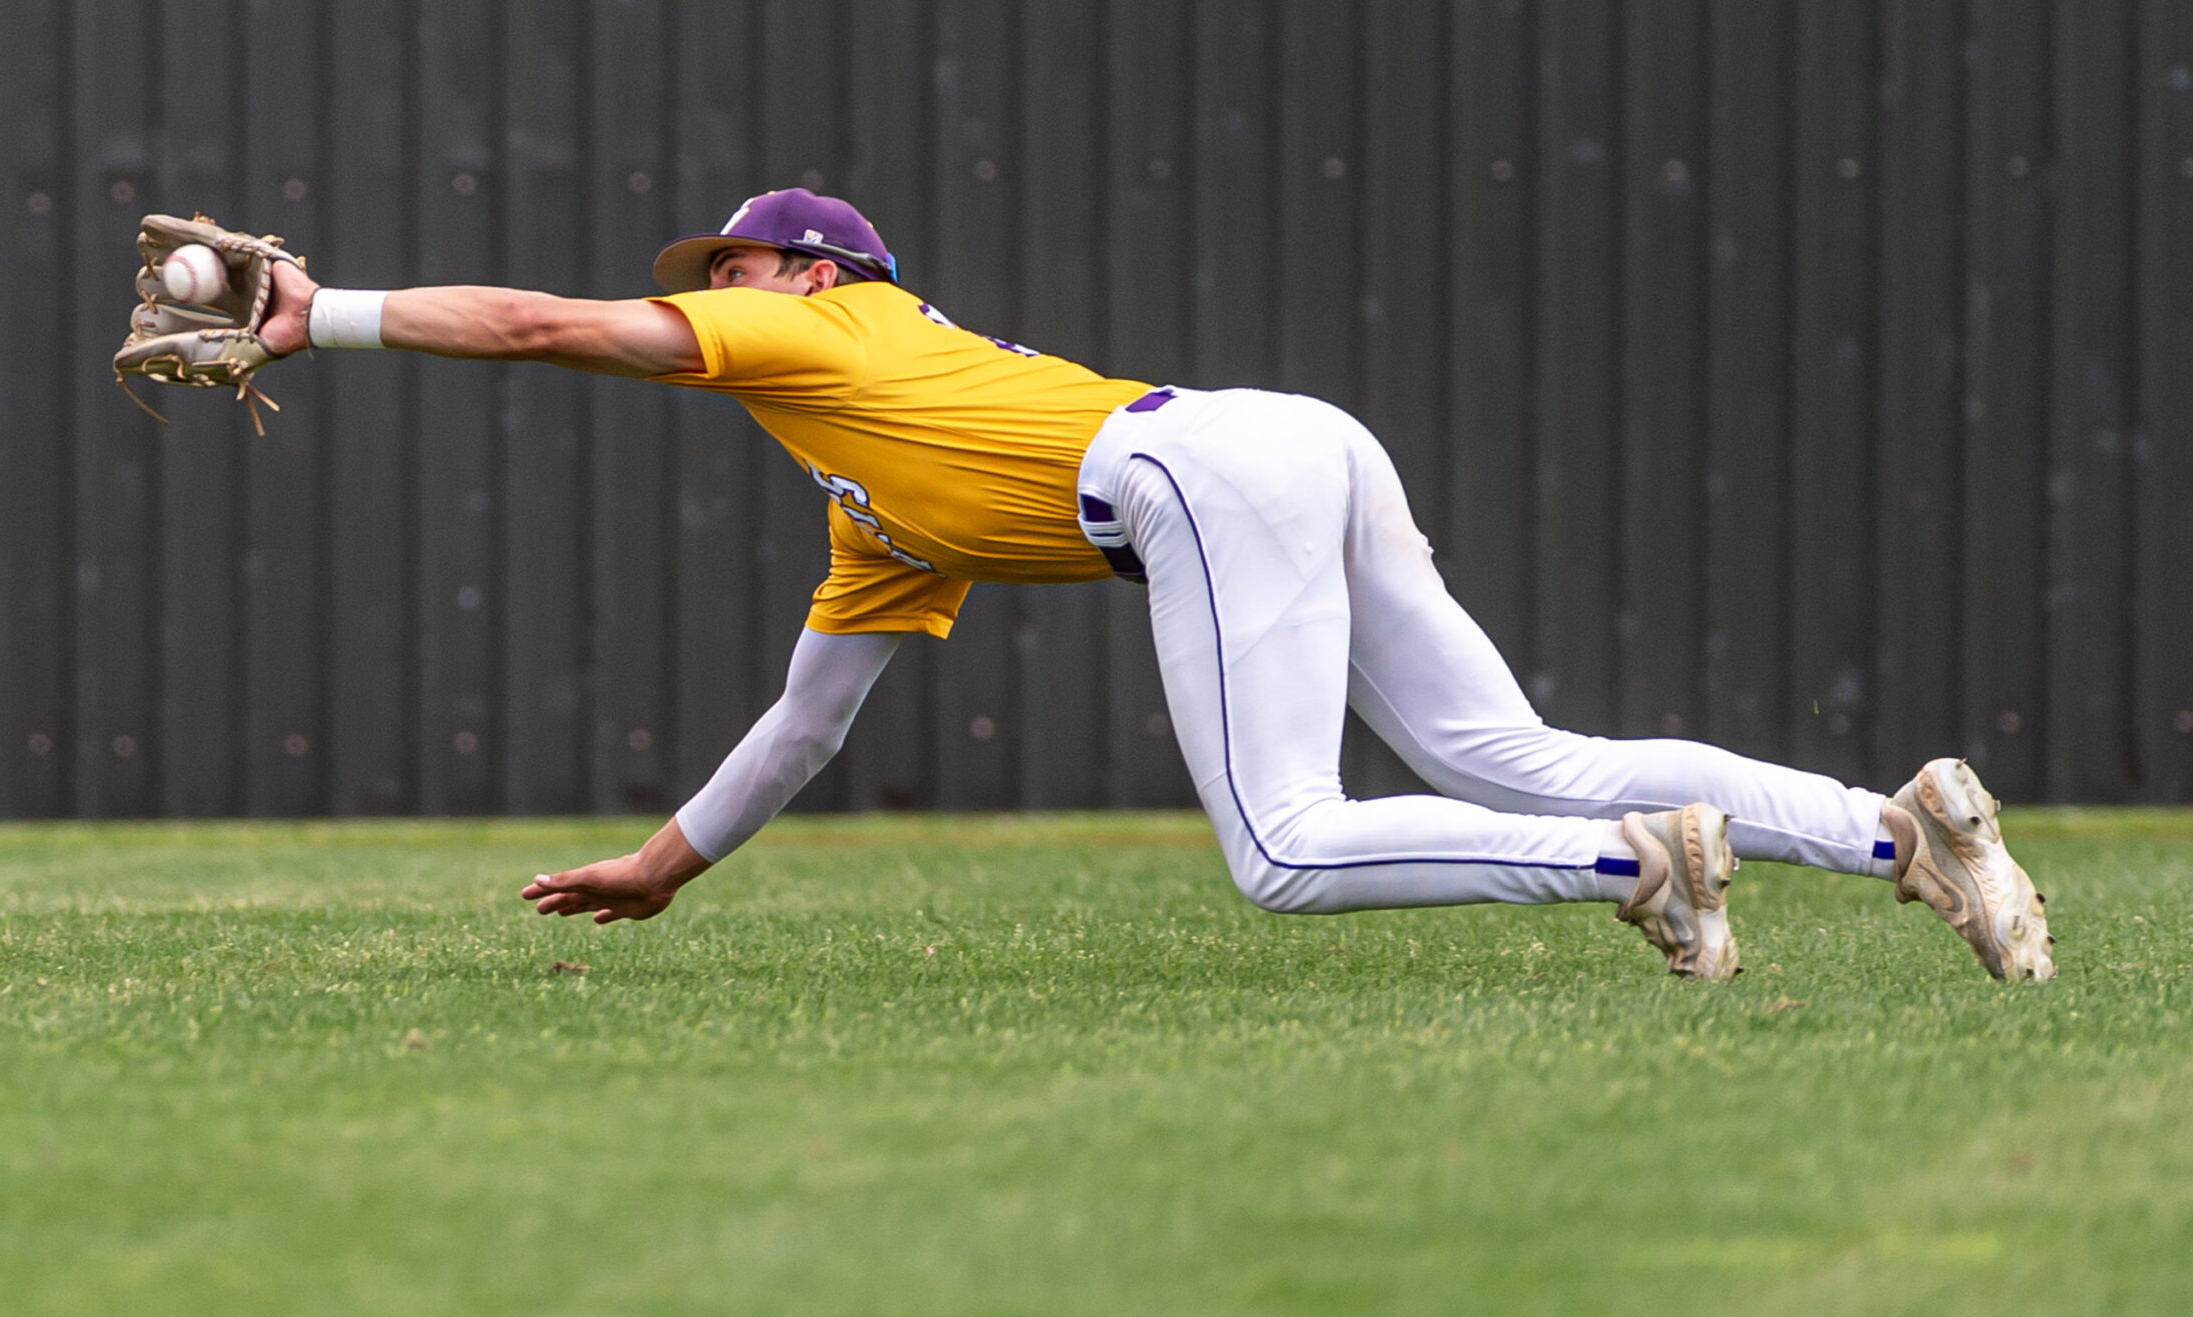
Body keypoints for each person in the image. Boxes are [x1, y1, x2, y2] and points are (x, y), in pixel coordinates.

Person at [257, 188, 2053, 983]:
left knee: (1285, 848)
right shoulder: (875, 486)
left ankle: (1639, 862)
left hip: (1186, 472)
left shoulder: (820, 328)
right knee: (1511, 750)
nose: (710, 286)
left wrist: (317, 319)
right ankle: (1904, 836)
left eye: (734, 262)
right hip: (1280, 440)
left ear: (813, 273)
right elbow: (809, 721)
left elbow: (538, 324)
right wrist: (665, 865)